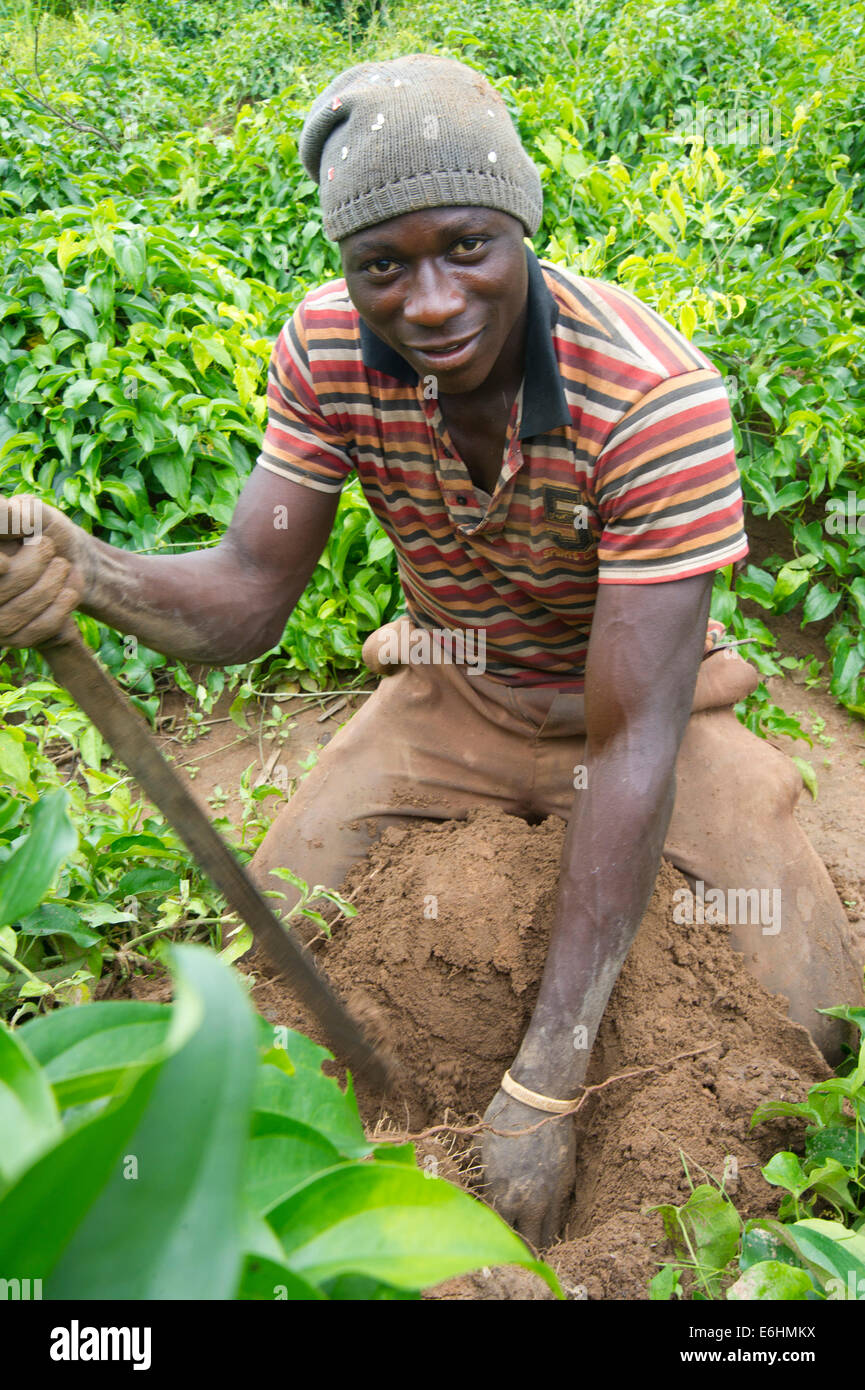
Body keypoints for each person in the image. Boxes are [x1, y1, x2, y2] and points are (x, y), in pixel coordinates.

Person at [0, 54, 861, 1247]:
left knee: (804, 1028)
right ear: (346, 269)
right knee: (283, 948)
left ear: (521, 229)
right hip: (452, 687)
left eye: (467, 247)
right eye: (381, 266)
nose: (431, 302)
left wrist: (548, 1083)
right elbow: (248, 595)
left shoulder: (651, 402)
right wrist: (87, 569)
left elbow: (629, 740)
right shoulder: (327, 352)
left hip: (647, 713)